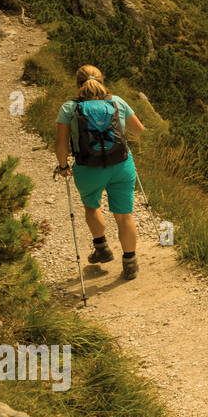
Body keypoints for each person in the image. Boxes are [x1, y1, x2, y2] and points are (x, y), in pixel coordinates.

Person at [53, 65, 146, 280]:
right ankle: (130, 263)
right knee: (124, 216)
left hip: (88, 168)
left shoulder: (69, 108)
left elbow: (60, 145)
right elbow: (139, 129)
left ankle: (102, 248)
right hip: (121, 165)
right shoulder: (117, 101)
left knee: (92, 206)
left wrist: (63, 166)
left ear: (77, 84)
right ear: (102, 82)